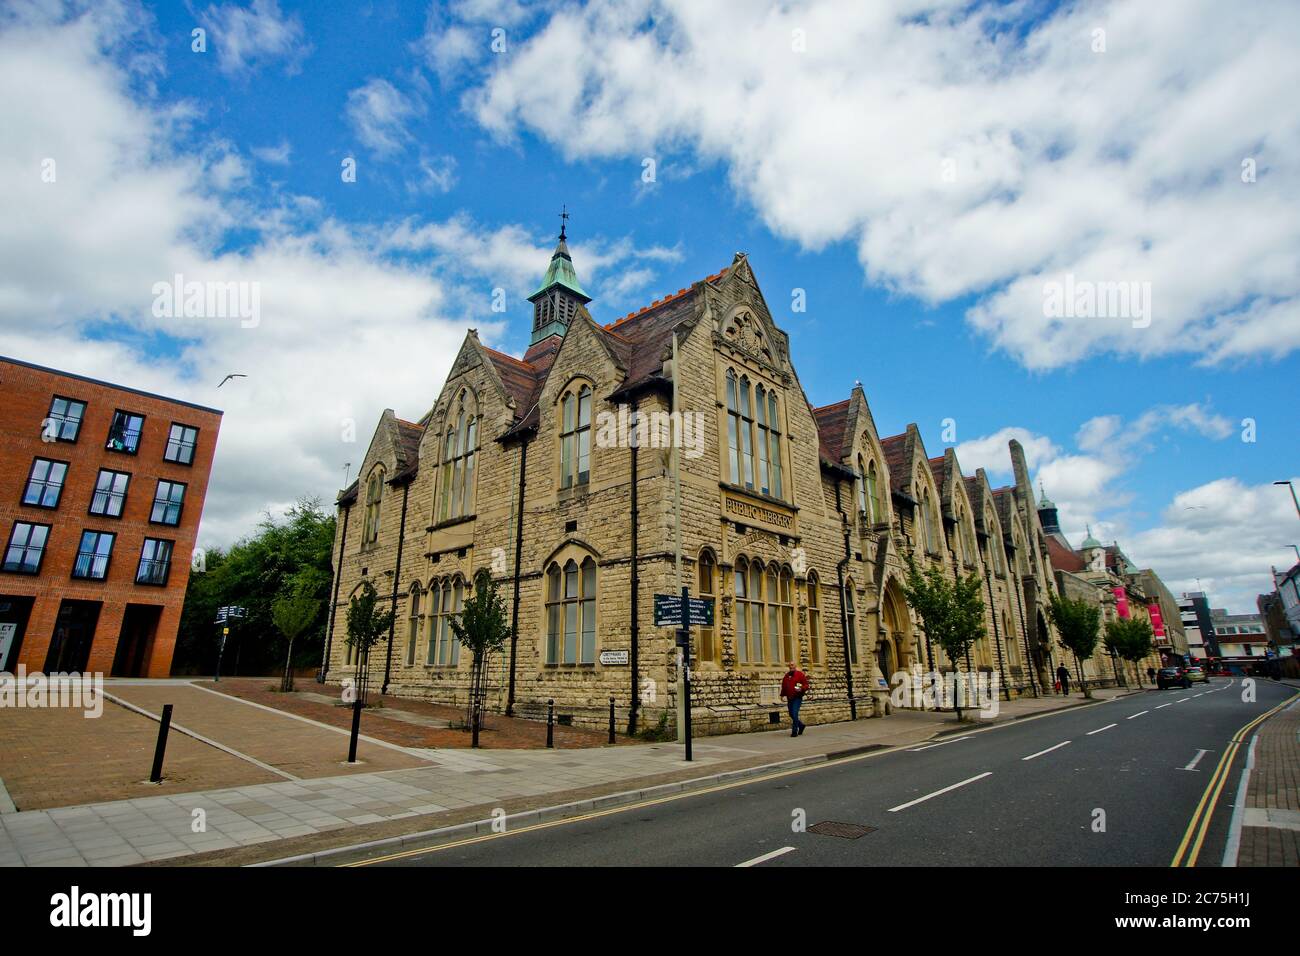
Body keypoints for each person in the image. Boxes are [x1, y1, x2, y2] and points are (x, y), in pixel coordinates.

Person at [780, 661, 810, 737]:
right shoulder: (786, 676)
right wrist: (782, 695)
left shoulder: (800, 674)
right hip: (789, 698)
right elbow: (784, 686)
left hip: (797, 697)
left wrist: (801, 688)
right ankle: (801, 725)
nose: (791, 666)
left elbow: (806, 685)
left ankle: (794, 731)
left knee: (794, 713)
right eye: (789, 665)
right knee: (791, 714)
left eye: (792, 665)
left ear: (795, 666)